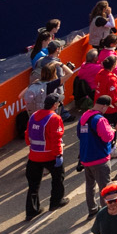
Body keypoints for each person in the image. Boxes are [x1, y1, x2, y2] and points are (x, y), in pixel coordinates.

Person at [20, 88, 67, 224]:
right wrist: (58, 154)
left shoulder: (34, 115)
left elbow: (27, 134)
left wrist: (33, 148)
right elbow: (56, 138)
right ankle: (56, 202)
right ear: (55, 105)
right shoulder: (54, 118)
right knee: (58, 178)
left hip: (34, 156)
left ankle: (32, 211)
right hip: (50, 157)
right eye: (58, 103)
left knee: (33, 186)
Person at [78, 97, 117, 215]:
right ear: (104, 106)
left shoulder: (84, 116)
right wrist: (112, 131)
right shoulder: (100, 119)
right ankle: (107, 211)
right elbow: (107, 137)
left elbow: (79, 135)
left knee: (90, 185)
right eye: (107, 107)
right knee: (105, 188)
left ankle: (92, 208)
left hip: (86, 158)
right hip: (99, 158)